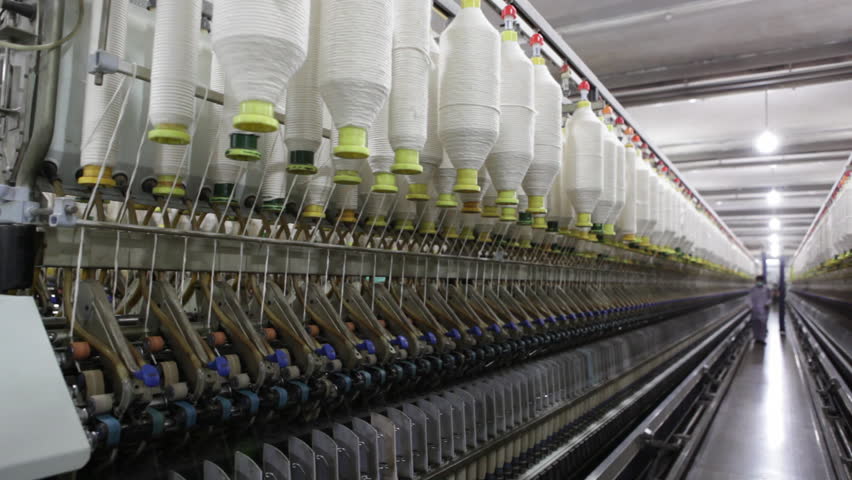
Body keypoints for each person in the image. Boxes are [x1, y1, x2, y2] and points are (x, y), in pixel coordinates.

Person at [748, 275, 771, 344]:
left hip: (763, 309)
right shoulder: (752, 289)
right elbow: (748, 298)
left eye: (760, 281)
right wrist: (750, 306)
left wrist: (767, 303)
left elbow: (770, 298)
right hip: (754, 309)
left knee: (763, 325)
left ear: (763, 281)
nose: (759, 282)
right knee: (755, 324)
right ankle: (756, 338)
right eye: (758, 281)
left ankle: (762, 339)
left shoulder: (767, 289)